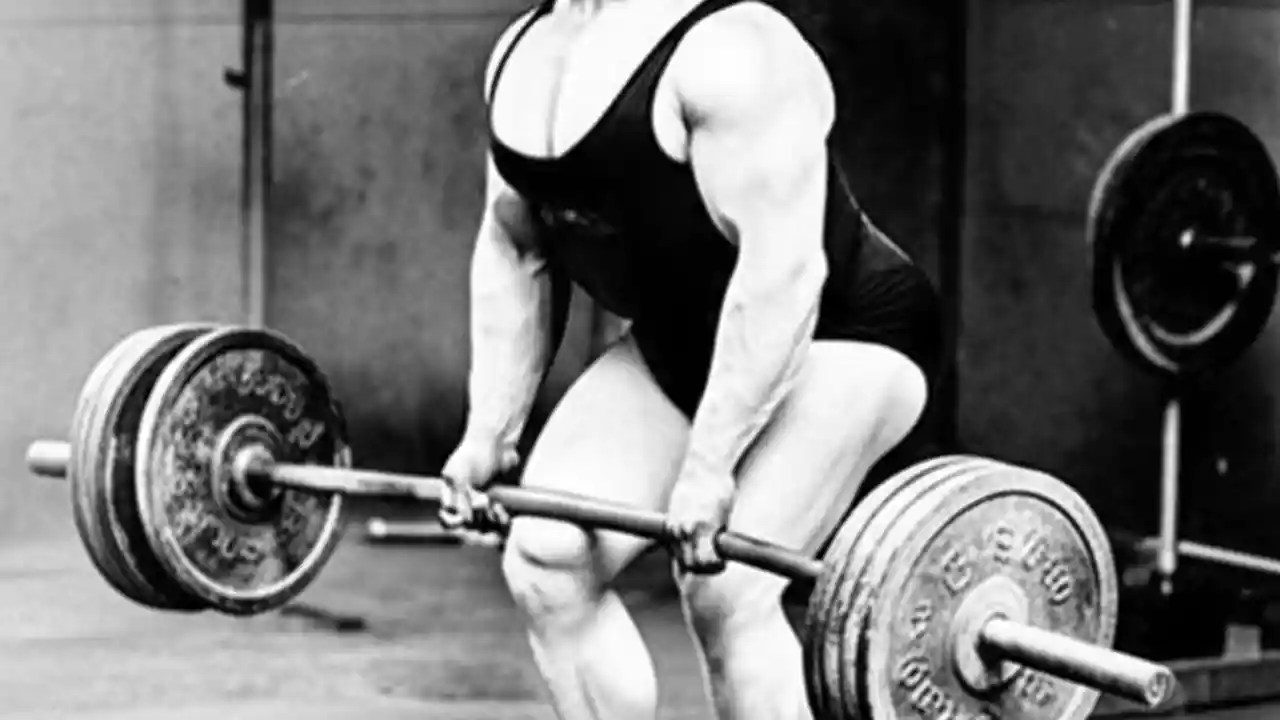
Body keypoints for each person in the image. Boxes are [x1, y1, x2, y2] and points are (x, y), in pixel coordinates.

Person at [440, 0, 943, 717]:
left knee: (727, 591)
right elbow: (516, 248)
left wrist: (709, 465)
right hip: (682, 340)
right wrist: (489, 433)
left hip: (845, 331)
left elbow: (784, 277)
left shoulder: (734, 54)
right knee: (549, 559)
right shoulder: (520, 53)